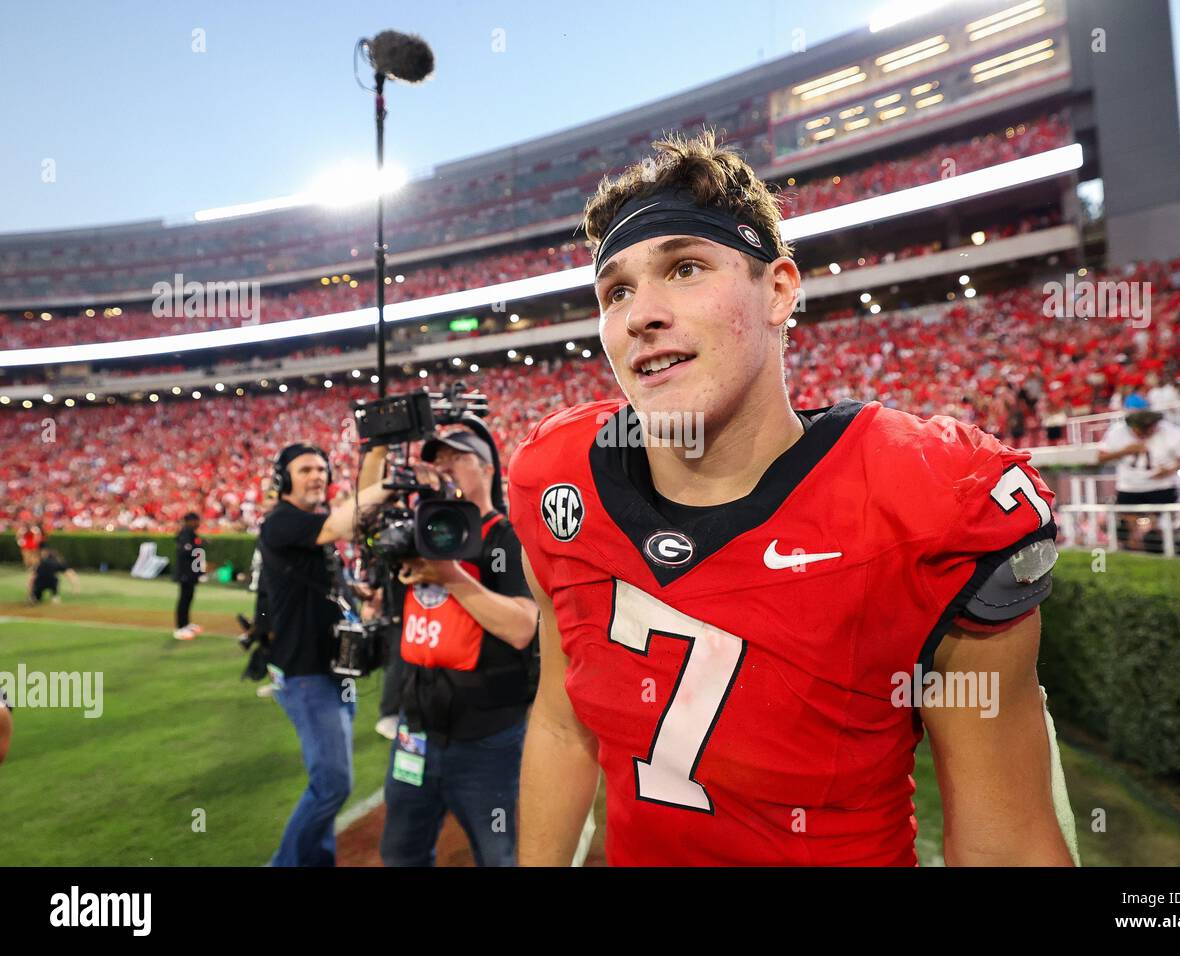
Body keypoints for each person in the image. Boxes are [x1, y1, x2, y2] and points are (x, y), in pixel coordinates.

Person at [506, 130, 1075, 866]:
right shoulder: (557, 479)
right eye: (617, 290)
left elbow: (1008, 845)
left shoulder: (923, 498)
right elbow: (560, 721)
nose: (641, 311)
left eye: (683, 268)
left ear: (778, 290)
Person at [371, 428, 539, 867]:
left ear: (487, 469)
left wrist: (451, 576)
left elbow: (523, 627)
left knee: (497, 855)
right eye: (437, 459)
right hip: (416, 728)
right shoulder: (415, 532)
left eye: (457, 458)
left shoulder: (508, 537)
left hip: (487, 737)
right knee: (400, 852)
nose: (443, 467)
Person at [260, 441, 394, 867]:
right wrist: (388, 481)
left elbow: (329, 557)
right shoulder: (281, 521)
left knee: (330, 781)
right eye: (305, 470)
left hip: (333, 670)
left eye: (321, 468)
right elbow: (346, 521)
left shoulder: (311, 522)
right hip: (306, 672)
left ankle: (317, 862)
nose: (317, 475)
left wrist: (354, 593)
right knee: (333, 783)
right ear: (283, 479)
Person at [1097, 402, 1180, 550]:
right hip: (1129, 486)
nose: (1144, 433)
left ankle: (1163, 548)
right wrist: (1125, 451)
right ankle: (1134, 547)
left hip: (1163, 486)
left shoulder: (1171, 432)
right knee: (1129, 521)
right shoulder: (1117, 432)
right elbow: (1101, 457)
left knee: (1163, 522)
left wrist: (1168, 471)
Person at [172, 512, 205, 641]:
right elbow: (187, 551)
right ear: (189, 521)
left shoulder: (190, 533)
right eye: (196, 521)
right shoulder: (185, 533)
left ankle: (186, 624)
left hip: (191, 573)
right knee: (184, 599)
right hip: (185, 572)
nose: (198, 523)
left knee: (189, 597)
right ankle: (180, 628)